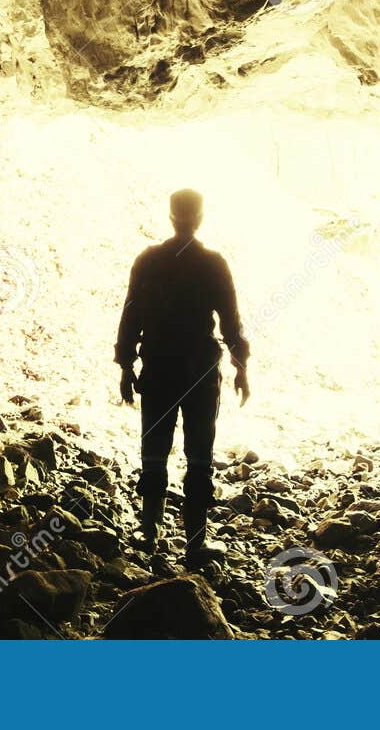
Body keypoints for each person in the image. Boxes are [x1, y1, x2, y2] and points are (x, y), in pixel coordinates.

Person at [115, 188, 250, 569]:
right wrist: (241, 367)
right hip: (200, 372)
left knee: (154, 451)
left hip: (158, 367)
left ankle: (148, 531)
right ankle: (195, 543)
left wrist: (126, 365)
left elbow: (131, 316)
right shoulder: (213, 264)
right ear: (201, 217)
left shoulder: (149, 261)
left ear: (171, 217)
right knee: (199, 457)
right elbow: (231, 322)